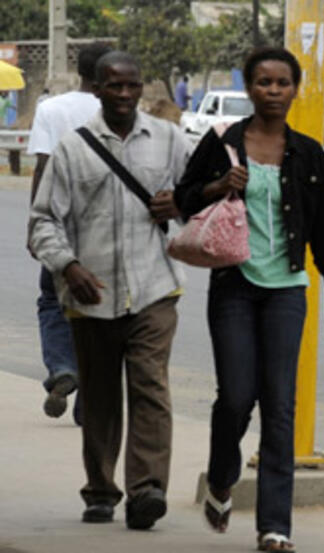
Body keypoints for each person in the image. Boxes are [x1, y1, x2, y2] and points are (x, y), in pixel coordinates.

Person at [175, 46, 324, 553]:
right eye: (263, 83)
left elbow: (323, 229)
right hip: (233, 286)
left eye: (282, 83)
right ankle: (223, 477)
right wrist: (218, 185)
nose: (273, 91)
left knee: (279, 404)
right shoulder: (221, 142)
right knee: (235, 396)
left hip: (289, 289)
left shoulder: (309, 153)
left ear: (296, 89)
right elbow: (182, 199)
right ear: (249, 88)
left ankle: (275, 527)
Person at [28, 50, 189, 529]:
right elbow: (42, 223)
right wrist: (68, 265)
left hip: (155, 289)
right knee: (99, 398)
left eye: (131, 86)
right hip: (92, 295)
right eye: (113, 86)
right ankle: (100, 490)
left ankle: (147, 490)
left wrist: (179, 204)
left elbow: (198, 203)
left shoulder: (169, 140)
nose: (123, 95)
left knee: (151, 389)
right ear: (96, 89)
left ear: (142, 88)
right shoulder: (72, 150)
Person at [26, 42, 112, 425]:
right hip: (108, 226)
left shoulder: (51, 109)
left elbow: (42, 169)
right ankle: (90, 400)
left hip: (61, 222)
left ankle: (63, 366)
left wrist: (35, 225)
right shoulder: (123, 109)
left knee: (52, 299)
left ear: (80, 68)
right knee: (100, 310)